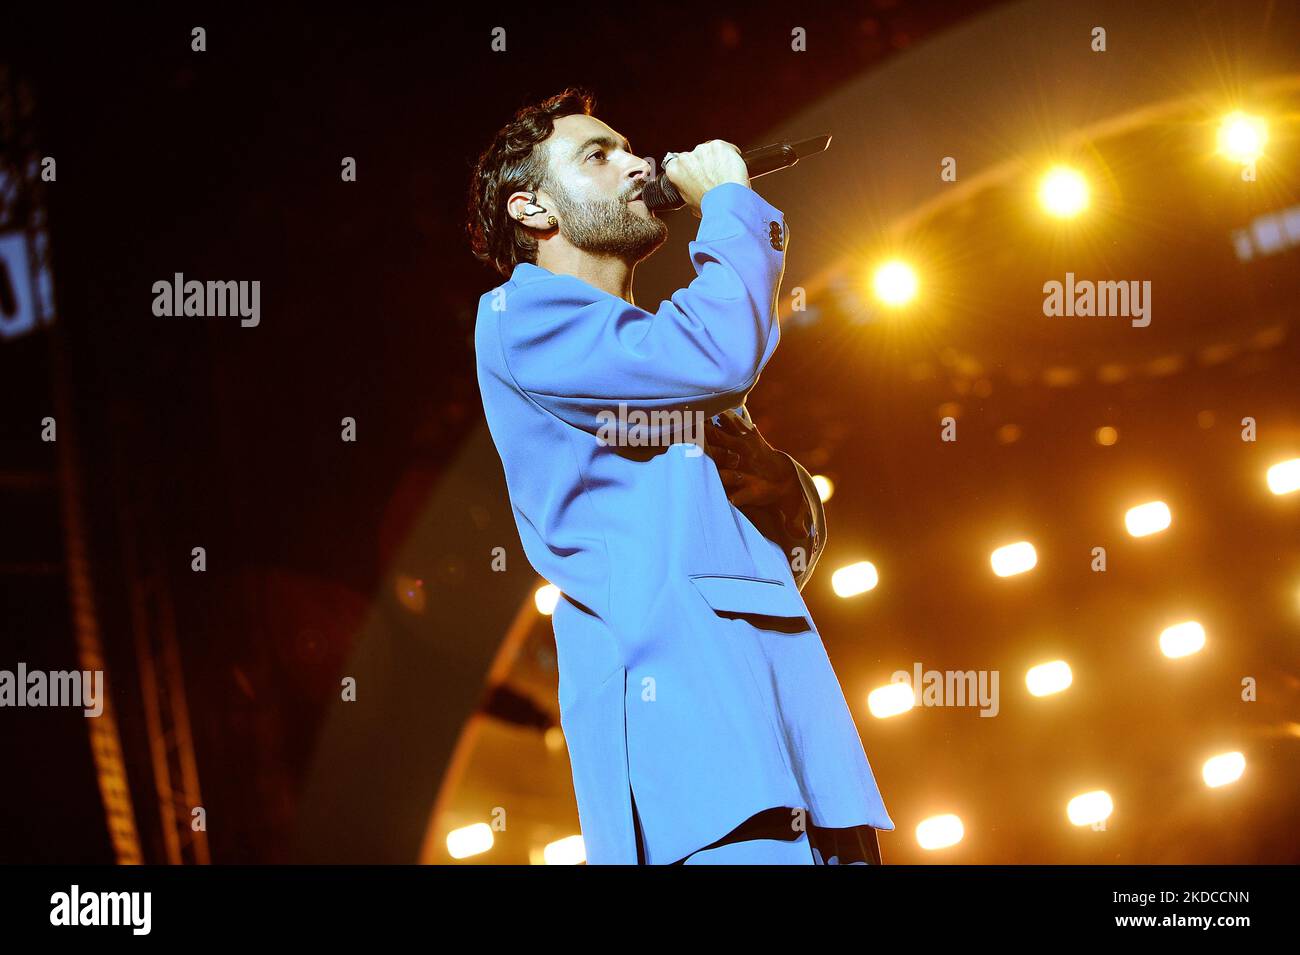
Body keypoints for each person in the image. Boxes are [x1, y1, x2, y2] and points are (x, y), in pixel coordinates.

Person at [466, 88, 894, 864]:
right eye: (598, 155)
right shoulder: (521, 317)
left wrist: (784, 489)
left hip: (796, 748)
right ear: (533, 209)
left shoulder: (648, 351)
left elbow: (771, 548)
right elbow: (722, 352)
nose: (638, 164)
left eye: (632, 147)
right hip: (699, 760)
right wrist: (729, 202)